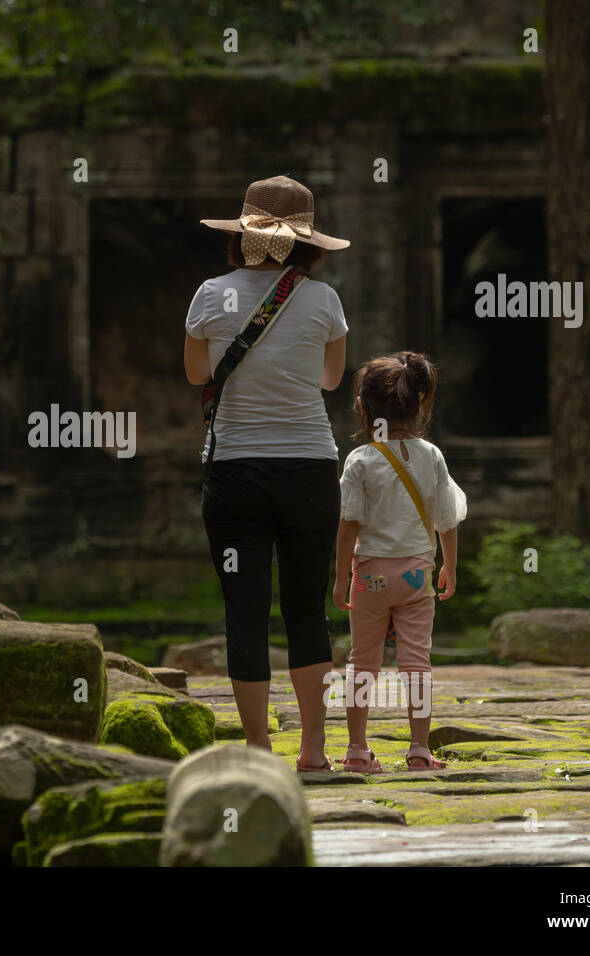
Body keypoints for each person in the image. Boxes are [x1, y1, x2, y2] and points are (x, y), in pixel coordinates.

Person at [184, 175, 349, 772]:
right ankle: (313, 750)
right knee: (307, 609)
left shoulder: (209, 294)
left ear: (241, 236)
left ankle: (257, 751)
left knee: (244, 609)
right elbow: (330, 381)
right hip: (308, 468)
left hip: (234, 473)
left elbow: (197, 372)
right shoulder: (324, 301)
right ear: (306, 244)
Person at [332, 351, 467, 772]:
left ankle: (356, 749)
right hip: (415, 575)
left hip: (369, 577)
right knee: (416, 662)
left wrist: (339, 579)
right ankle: (419, 749)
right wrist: (450, 566)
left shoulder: (361, 460)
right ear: (419, 405)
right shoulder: (431, 457)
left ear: (363, 408)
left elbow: (347, 526)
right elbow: (446, 519)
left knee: (361, 662)